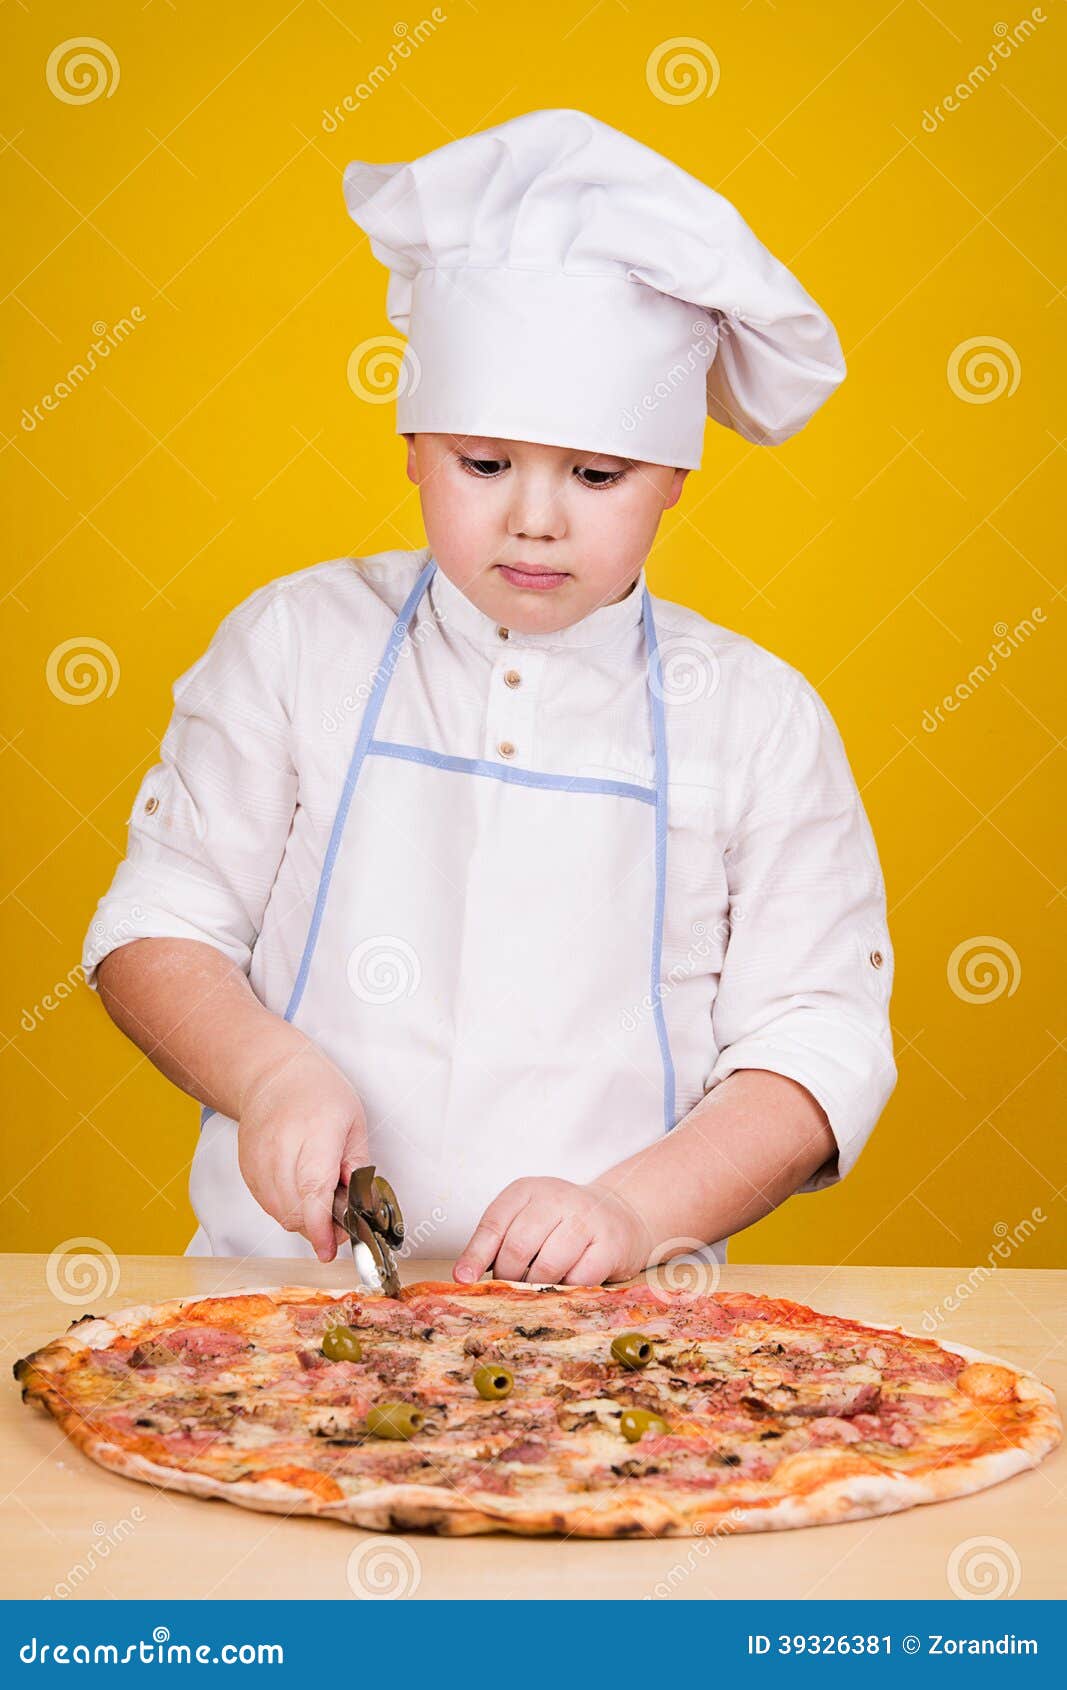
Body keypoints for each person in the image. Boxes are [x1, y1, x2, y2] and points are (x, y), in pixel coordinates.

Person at [84, 108, 896, 1284]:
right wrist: (267, 1074)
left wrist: (629, 1210)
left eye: (595, 473)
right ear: (412, 443)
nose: (533, 517)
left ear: (672, 477)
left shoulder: (756, 718)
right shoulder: (295, 644)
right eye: (483, 463)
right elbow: (157, 925)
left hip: (621, 1342)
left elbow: (814, 1045)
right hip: (272, 1313)